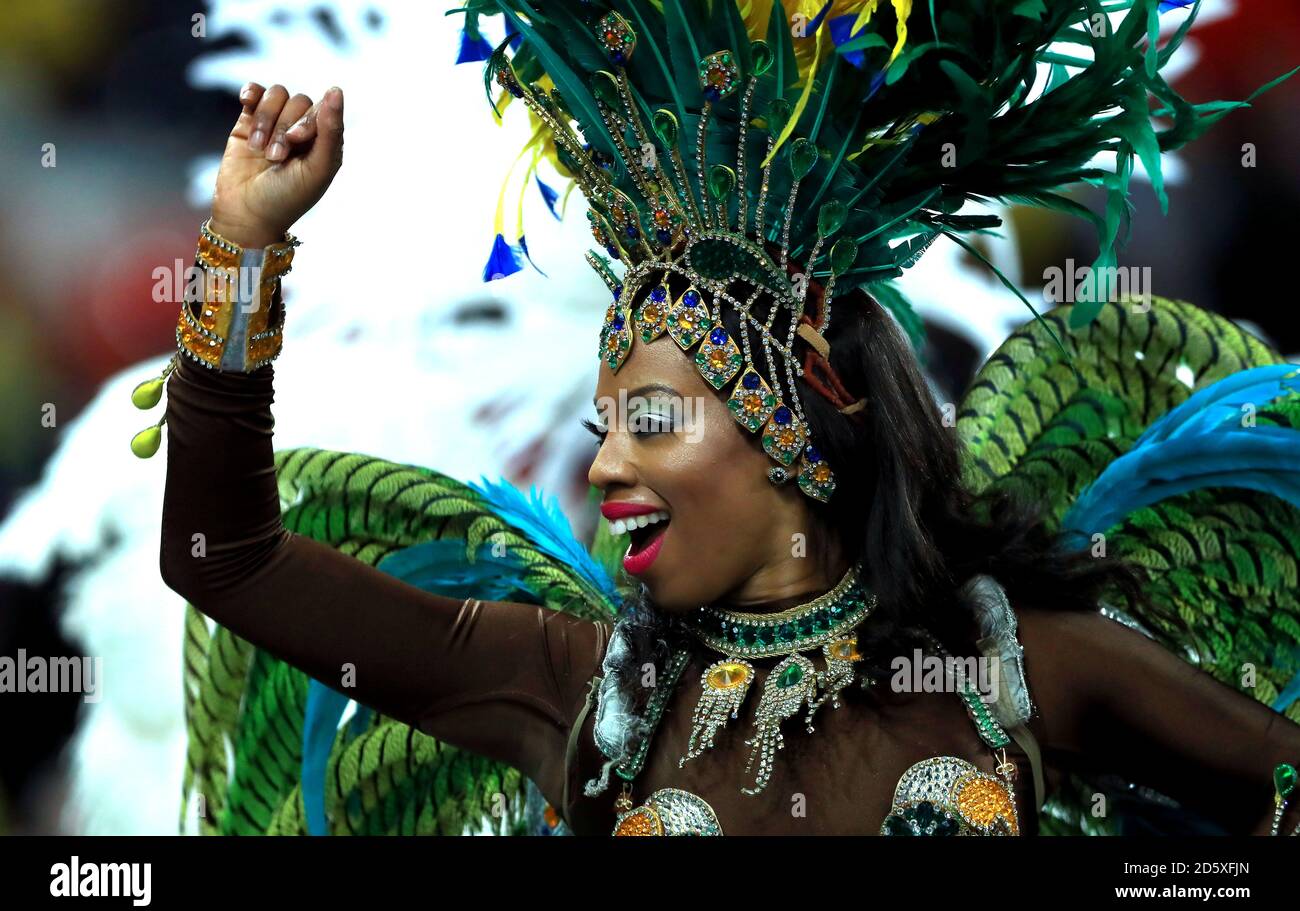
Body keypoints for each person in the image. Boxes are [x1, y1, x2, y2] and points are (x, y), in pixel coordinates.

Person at [140, 0, 1300, 836]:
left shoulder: (1021, 670)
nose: (606, 467)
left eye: (649, 418)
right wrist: (244, 244)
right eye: (604, 428)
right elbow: (225, 558)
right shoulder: (586, 696)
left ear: (796, 410)